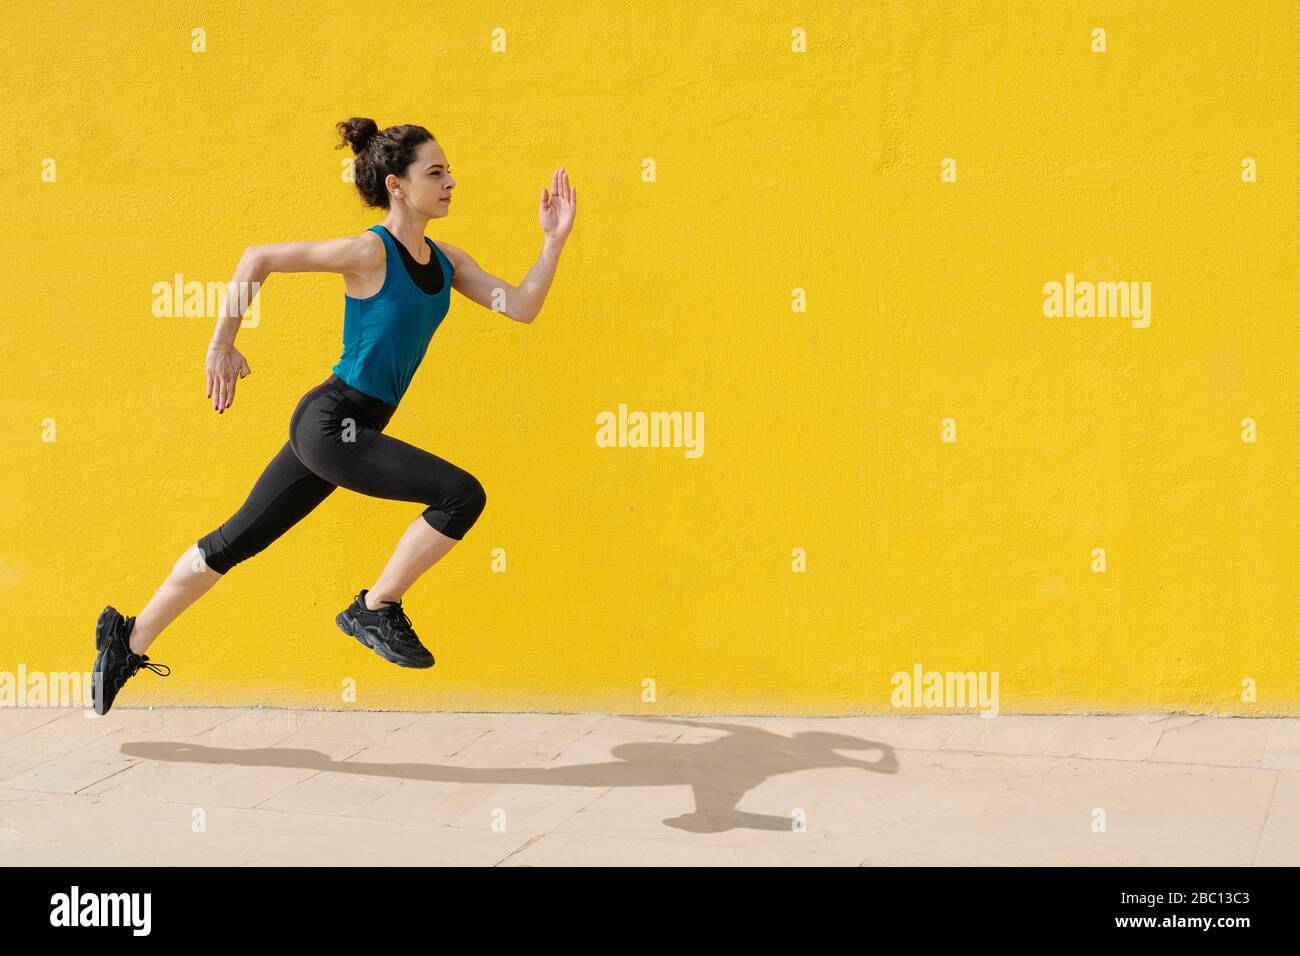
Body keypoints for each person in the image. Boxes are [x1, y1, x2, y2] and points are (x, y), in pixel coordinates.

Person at [91, 117, 577, 715]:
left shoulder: (449, 262)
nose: (451, 181)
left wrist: (552, 241)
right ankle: (374, 608)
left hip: (349, 430)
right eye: (435, 172)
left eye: (449, 170)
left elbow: (522, 306)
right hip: (333, 422)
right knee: (461, 495)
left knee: (234, 541)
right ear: (397, 186)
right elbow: (258, 257)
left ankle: (127, 639)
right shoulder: (371, 251)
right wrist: (222, 343)